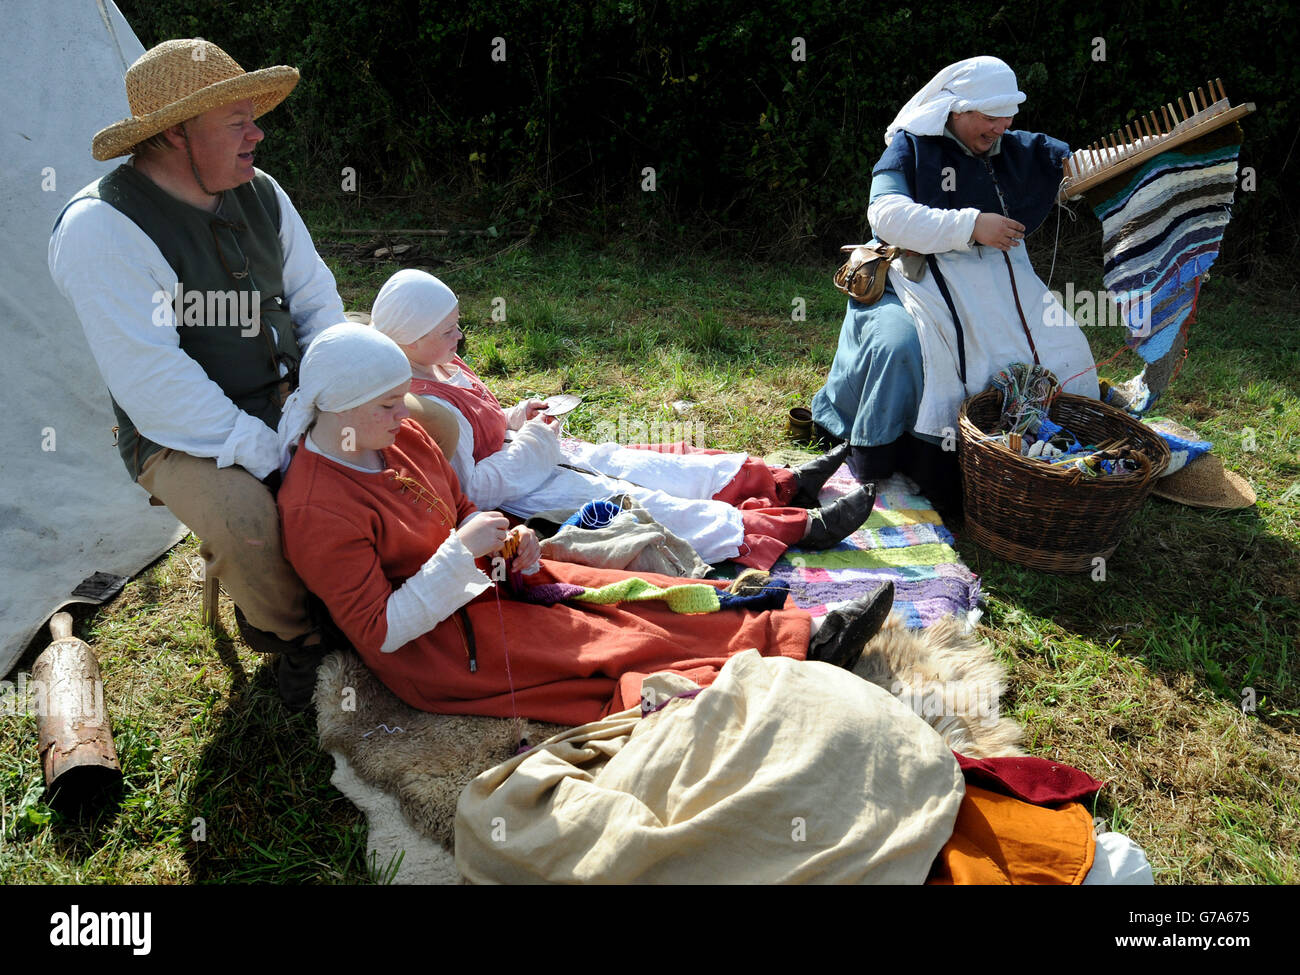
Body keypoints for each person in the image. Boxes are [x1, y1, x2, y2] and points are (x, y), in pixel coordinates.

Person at [275, 324, 895, 725]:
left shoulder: (395, 432)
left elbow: (456, 507)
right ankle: (806, 653)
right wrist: (460, 556)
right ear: (340, 407)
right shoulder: (316, 509)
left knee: (628, 595)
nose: (402, 412)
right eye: (387, 404)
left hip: (486, 580)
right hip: (438, 646)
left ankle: (789, 631)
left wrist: (505, 541)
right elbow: (382, 631)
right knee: (605, 646)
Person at [47, 39, 346, 708]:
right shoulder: (102, 228)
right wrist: (272, 451)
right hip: (177, 432)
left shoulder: (262, 193)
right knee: (247, 516)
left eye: (253, 116)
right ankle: (297, 638)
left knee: (414, 428)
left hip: (290, 396)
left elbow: (317, 302)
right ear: (176, 134)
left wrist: (333, 394)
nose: (258, 133)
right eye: (237, 120)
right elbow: (154, 386)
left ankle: (371, 598)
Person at [367, 268, 875, 571]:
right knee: (642, 507)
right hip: (528, 494)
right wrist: (534, 444)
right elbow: (474, 487)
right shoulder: (419, 407)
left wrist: (517, 416)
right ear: (410, 339)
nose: (460, 336)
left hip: (544, 457)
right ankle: (798, 527)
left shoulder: (442, 364)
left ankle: (785, 484)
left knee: (649, 465)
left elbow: (487, 421)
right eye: (447, 329)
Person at [811, 57, 1099, 515]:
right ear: (955, 109)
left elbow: (1086, 165)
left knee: (1064, 342)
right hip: (912, 276)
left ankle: (1043, 458)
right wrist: (971, 225)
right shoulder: (912, 147)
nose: (1001, 126)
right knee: (920, 351)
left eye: (1008, 116)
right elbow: (885, 215)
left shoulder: (1015, 147)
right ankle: (903, 460)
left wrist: (1163, 149)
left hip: (997, 278)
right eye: (989, 116)